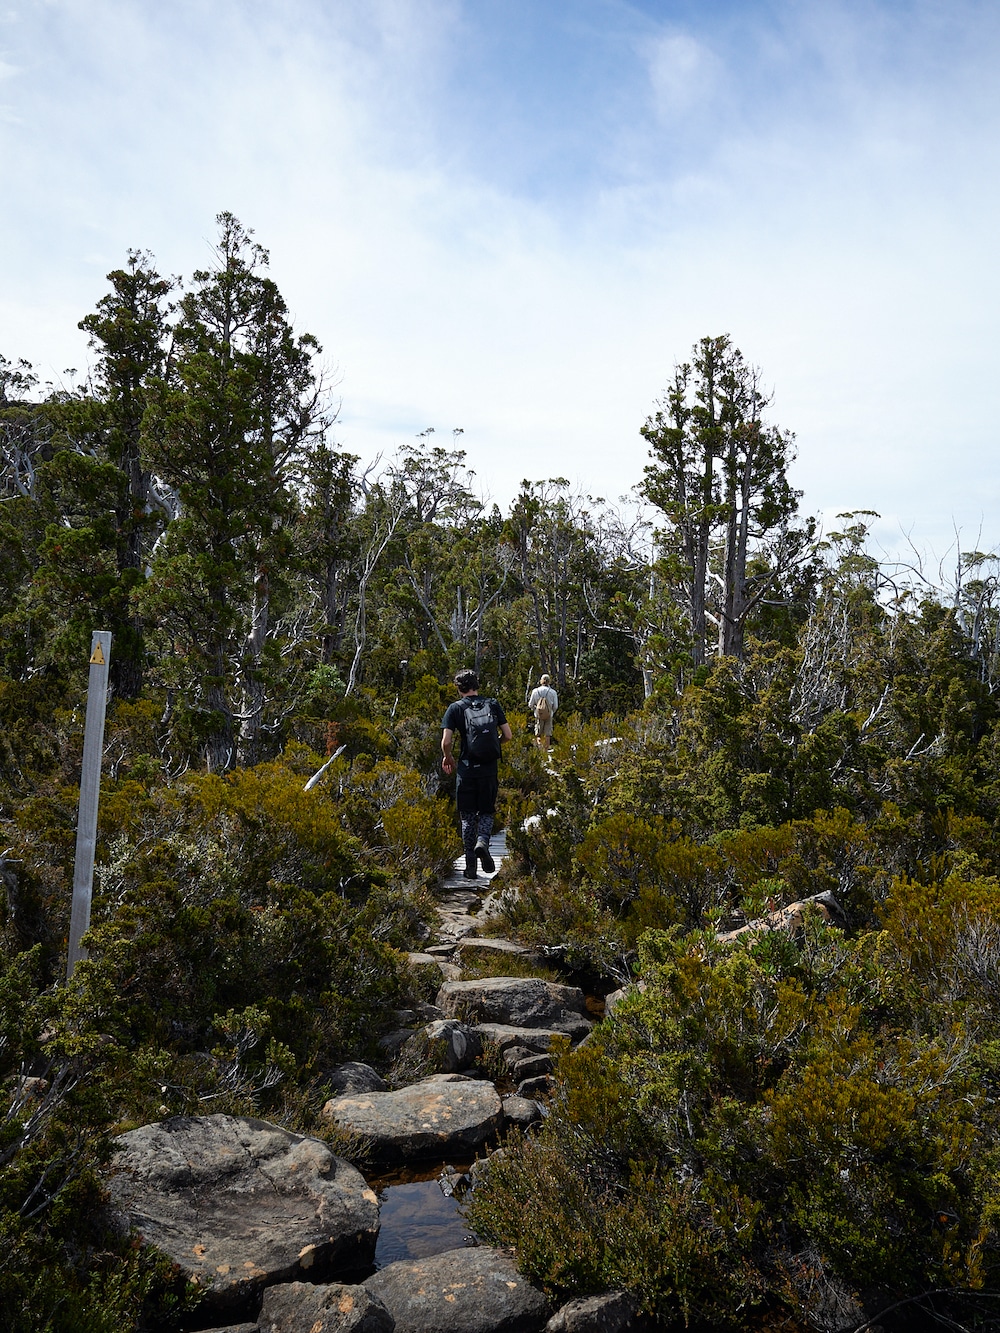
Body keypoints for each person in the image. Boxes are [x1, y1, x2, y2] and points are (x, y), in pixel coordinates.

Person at [441, 669, 513, 880]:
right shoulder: (492, 704)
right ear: (477, 685)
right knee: (487, 812)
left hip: (466, 769)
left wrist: (449, 758)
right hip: (489, 769)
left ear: (458, 688)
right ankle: (483, 840)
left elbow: (446, 742)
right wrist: (494, 748)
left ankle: (471, 866)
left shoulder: (455, 708)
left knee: (467, 816)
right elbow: (507, 735)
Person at [527, 673, 558, 751]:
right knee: (548, 733)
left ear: (541, 681)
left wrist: (535, 710)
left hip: (538, 715)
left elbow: (530, 704)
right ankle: (546, 750)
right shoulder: (553, 692)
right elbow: (555, 706)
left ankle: (540, 749)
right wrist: (551, 712)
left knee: (538, 733)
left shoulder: (535, 691)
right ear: (549, 681)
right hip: (549, 715)